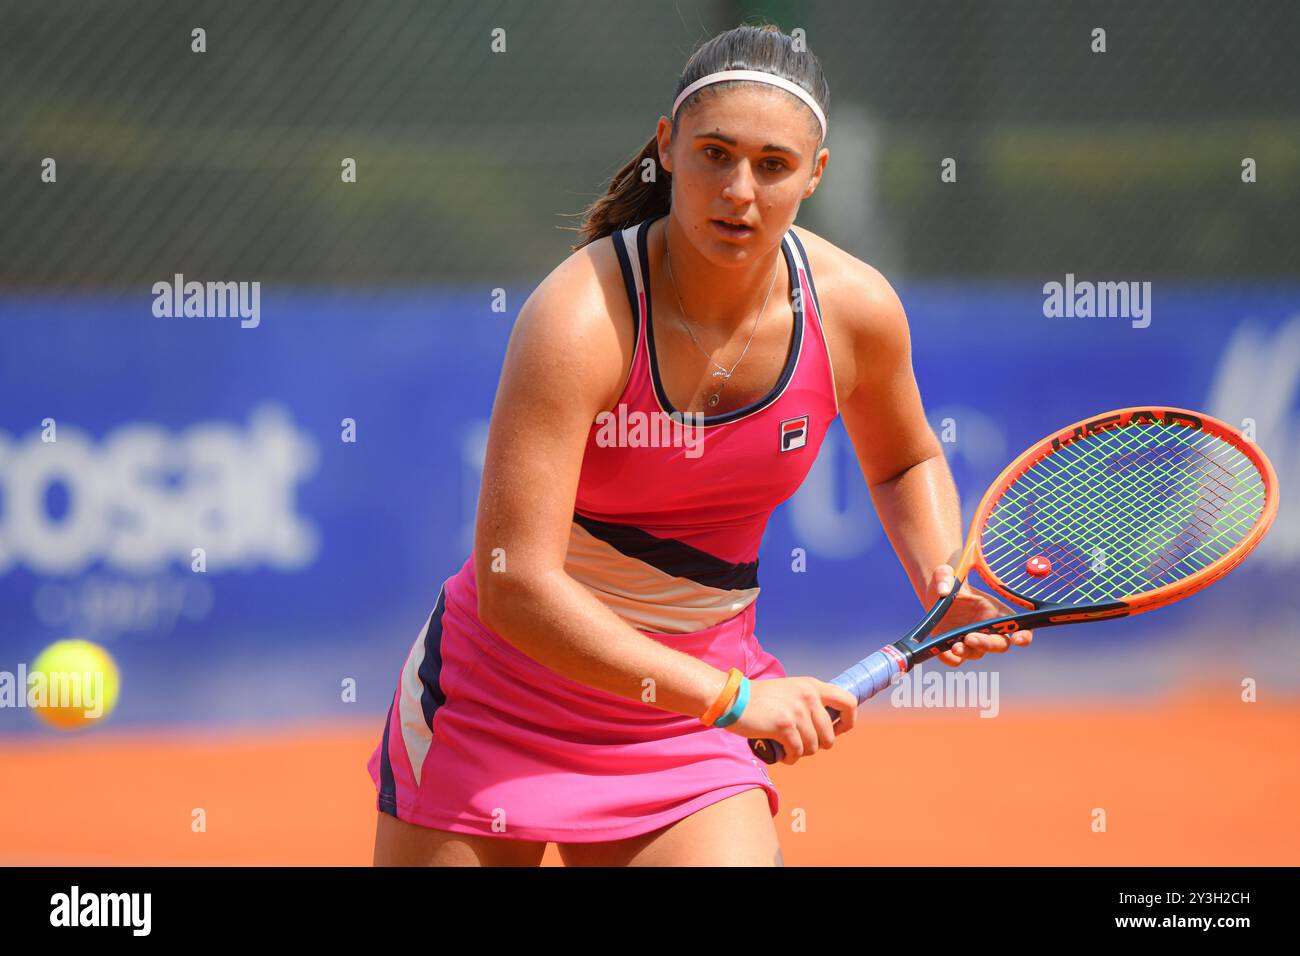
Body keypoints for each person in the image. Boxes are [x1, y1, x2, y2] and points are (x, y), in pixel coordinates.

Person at [368, 22, 1031, 867]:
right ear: (667, 148)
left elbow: (904, 458)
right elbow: (517, 588)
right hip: (502, 700)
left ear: (815, 175)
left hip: (685, 727)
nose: (740, 191)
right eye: (716, 154)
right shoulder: (579, 319)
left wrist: (943, 574)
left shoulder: (855, 309)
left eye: (773, 164)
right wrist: (735, 700)